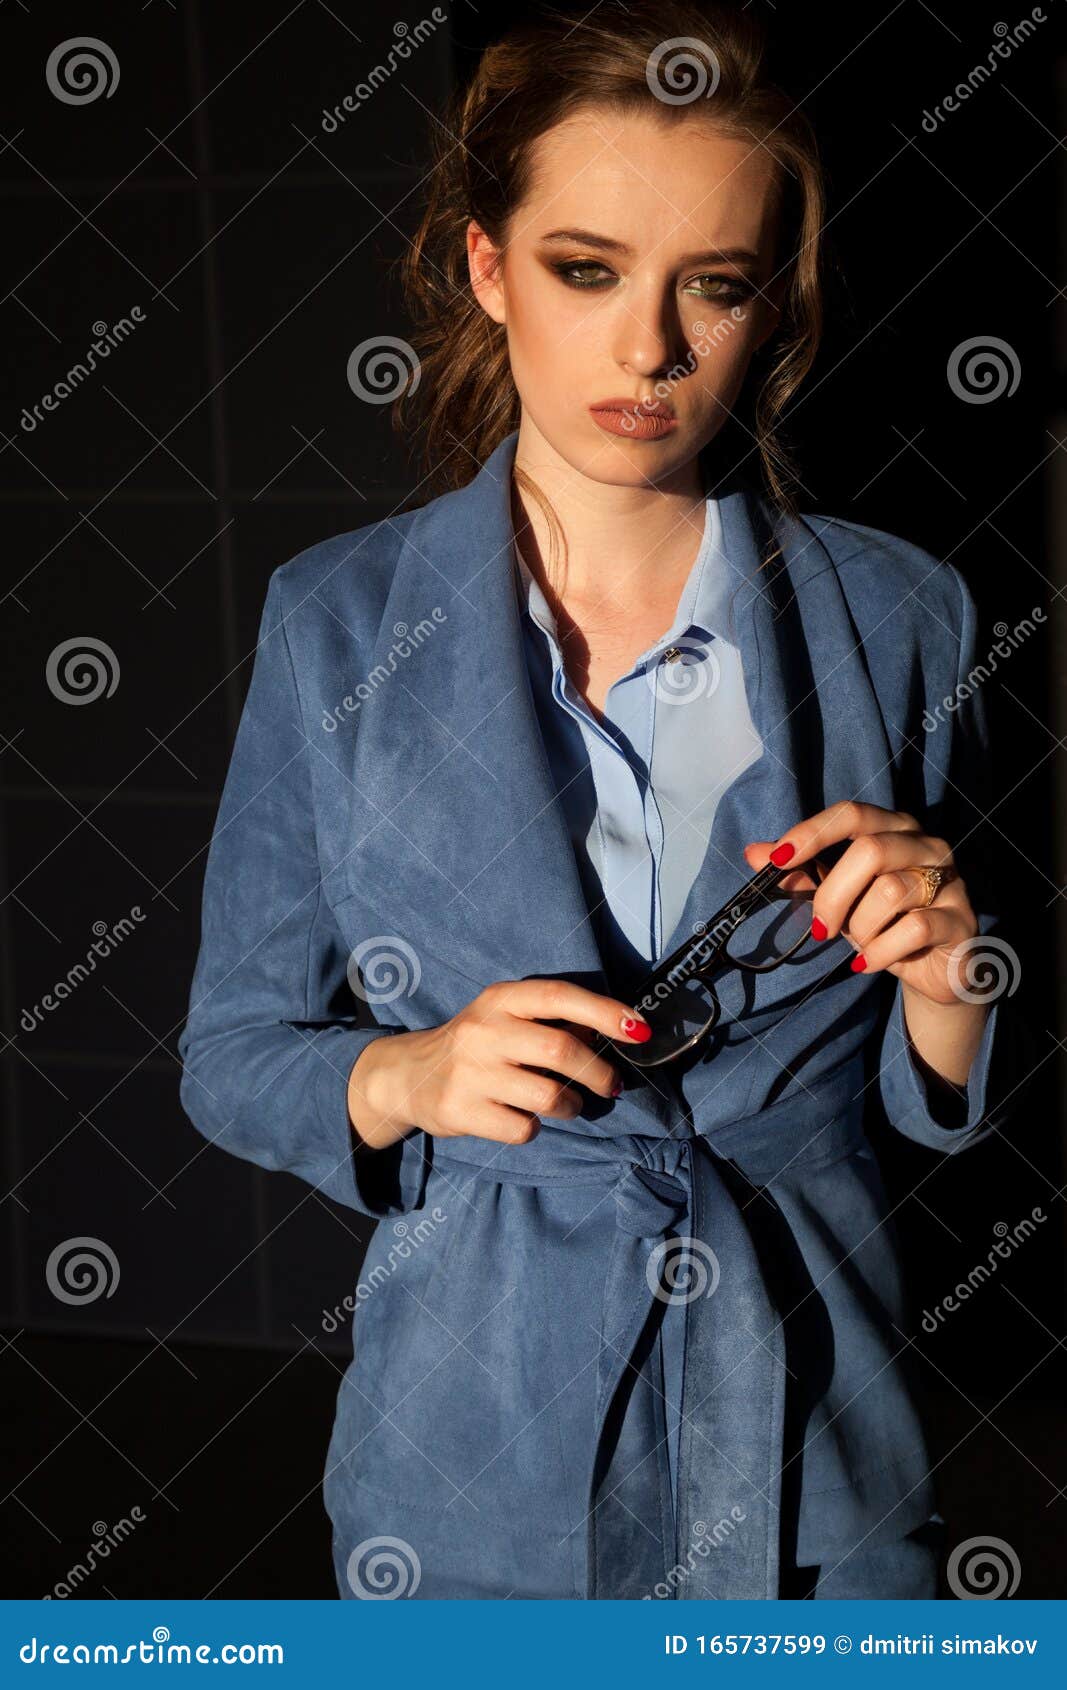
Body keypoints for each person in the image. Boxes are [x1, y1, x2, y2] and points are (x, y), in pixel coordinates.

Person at [177, 0, 1032, 1600]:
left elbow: (955, 1089)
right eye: (588, 270)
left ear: (767, 309)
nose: (650, 349)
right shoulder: (339, 620)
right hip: (471, 1476)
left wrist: (952, 986)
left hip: (819, 1475)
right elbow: (230, 1059)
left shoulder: (908, 619)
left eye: (711, 285)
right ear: (488, 269)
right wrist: (409, 1073)